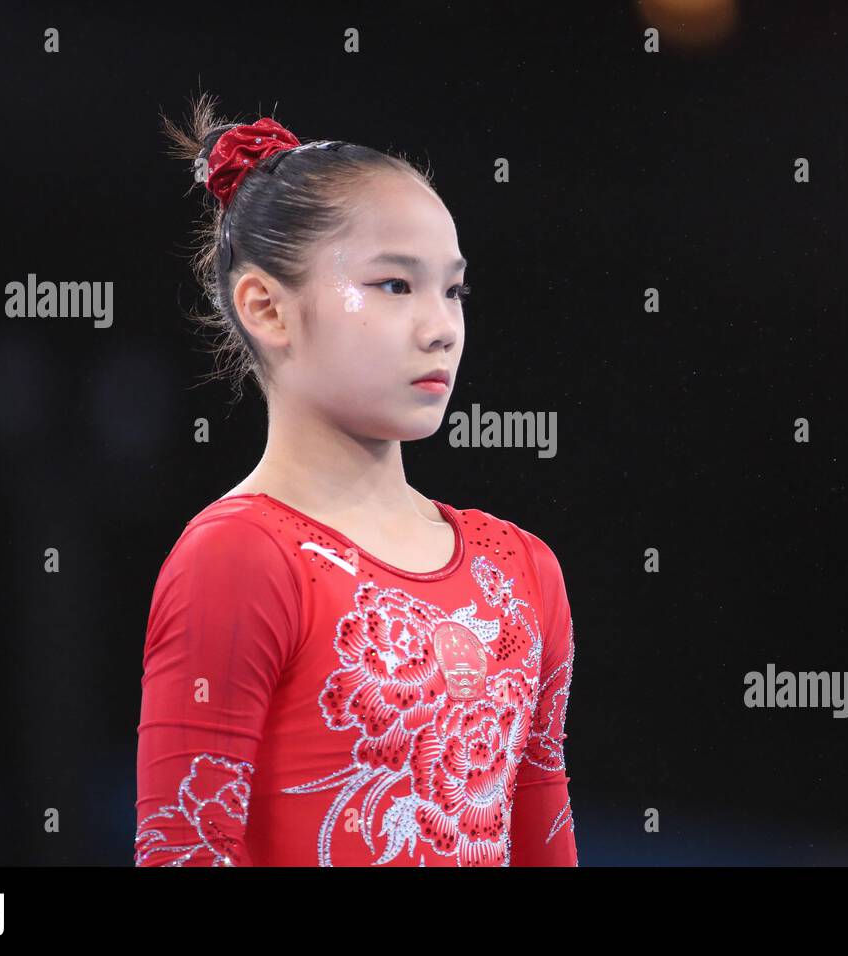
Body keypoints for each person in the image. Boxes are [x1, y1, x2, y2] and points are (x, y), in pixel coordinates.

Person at [133, 93, 577, 866]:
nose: (441, 325)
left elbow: (545, 842)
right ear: (268, 309)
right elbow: (184, 851)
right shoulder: (240, 559)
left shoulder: (523, 572)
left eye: (454, 290)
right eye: (395, 286)